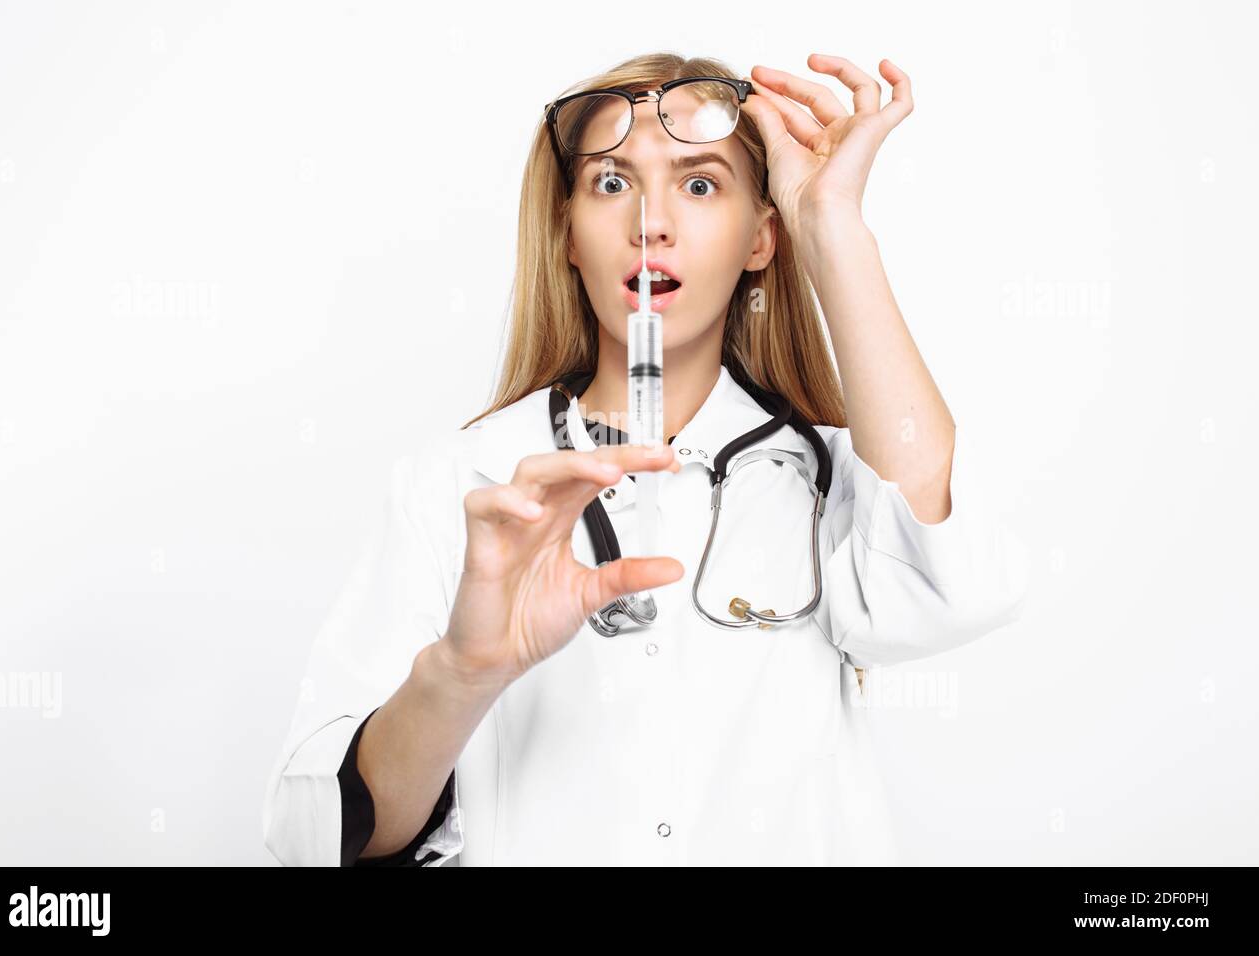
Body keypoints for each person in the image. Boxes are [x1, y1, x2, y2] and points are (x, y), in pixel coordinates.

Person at [262, 51, 1028, 866]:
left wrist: (831, 222)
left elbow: (955, 591)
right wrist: (462, 672)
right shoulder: (462, 483)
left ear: (762, 238)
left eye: (700, 185)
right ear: (567, 233)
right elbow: (311, 835)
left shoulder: (831, 480)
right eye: (611, 182)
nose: (651, 223)